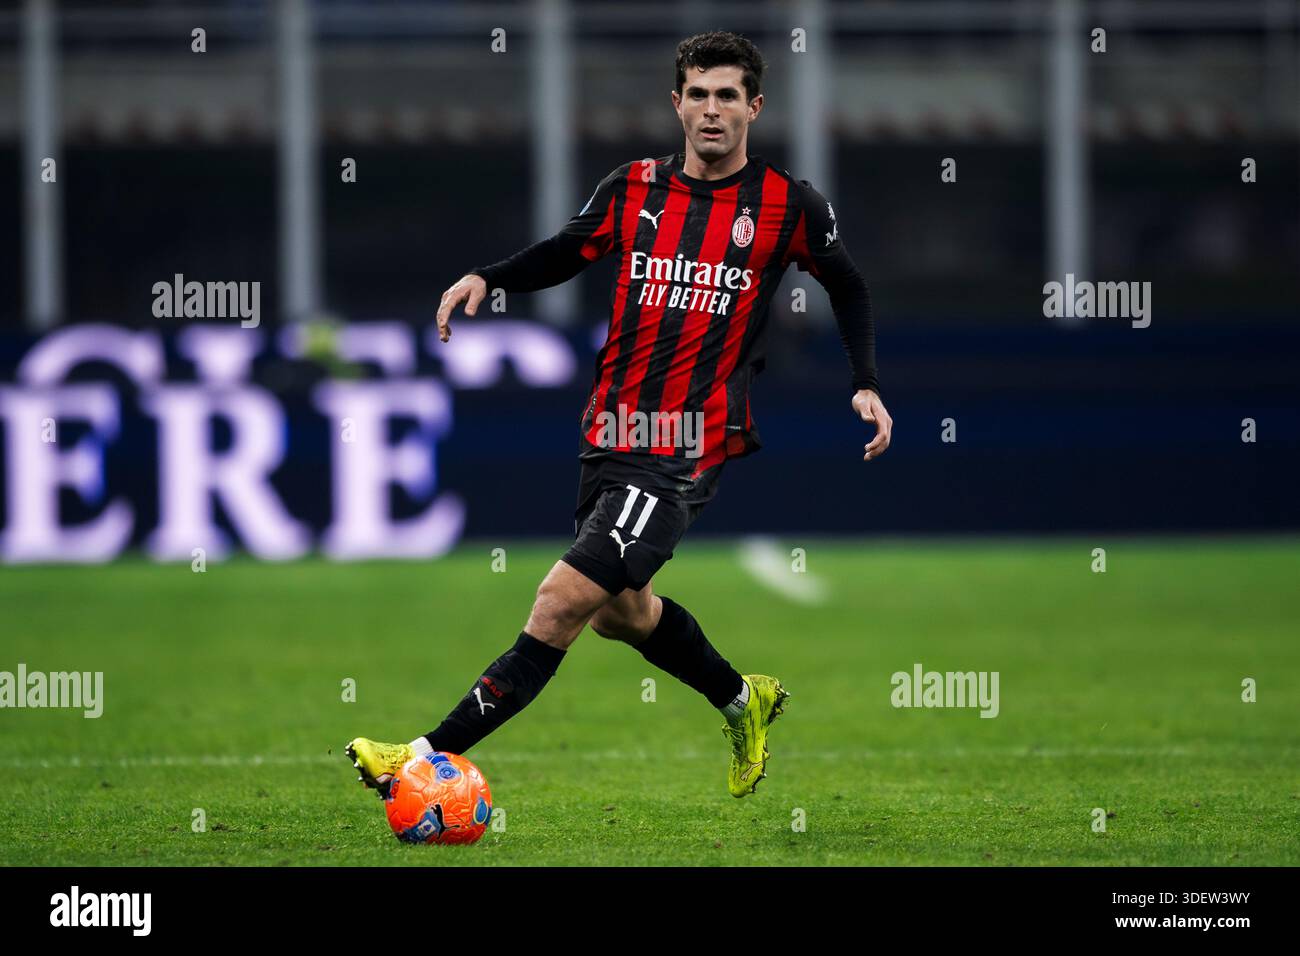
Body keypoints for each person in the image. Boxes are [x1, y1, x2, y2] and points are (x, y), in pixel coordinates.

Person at [348, 30, 891, 800]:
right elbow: (565, 252)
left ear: (754, 107)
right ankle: (745, 700)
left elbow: (850, 286)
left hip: (686, 441)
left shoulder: (786, 205)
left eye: (727, 95)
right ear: (677, 104)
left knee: (561, 600)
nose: (711, 110)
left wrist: (863, 380)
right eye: (697, 94)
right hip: (611, 431)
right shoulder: (632, 187)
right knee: (619, 613)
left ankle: (418, 756)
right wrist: (486, 277)